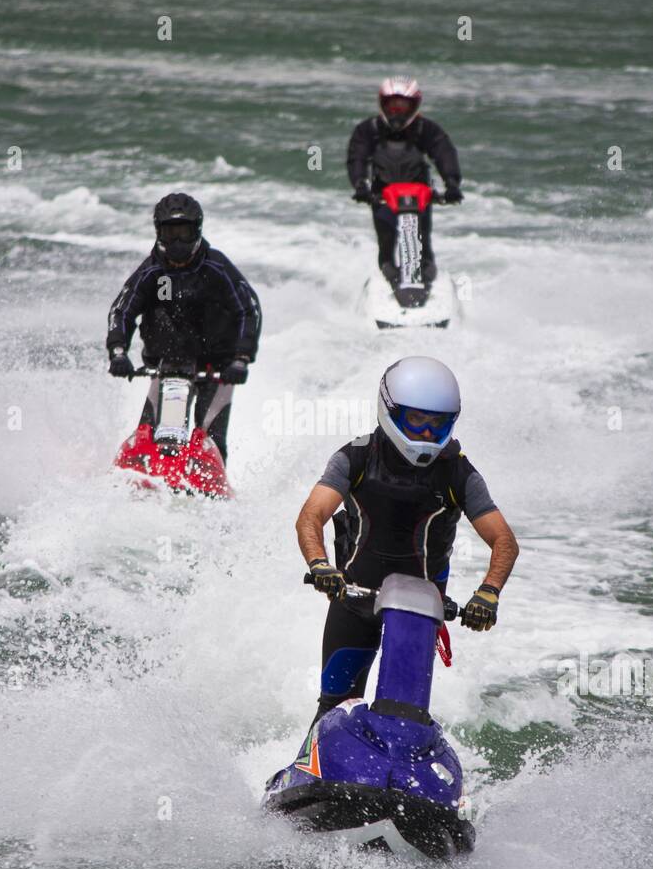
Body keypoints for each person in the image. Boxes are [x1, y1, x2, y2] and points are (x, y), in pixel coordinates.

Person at [295, 356, 518, 725]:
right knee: (334, 709)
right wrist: (320, 565)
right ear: (391, 411)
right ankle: (313, 767)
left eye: (437, 424)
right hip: (353, 600)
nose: (428, 434)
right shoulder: (355, 457)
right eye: (416, 420)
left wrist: (489, 592)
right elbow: (311, 516)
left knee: (405, 716)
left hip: (419, 612)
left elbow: (504, 540)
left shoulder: (459, 473)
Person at [106, 193, 261, 462]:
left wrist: (241, 358)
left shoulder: (217, 267)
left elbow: (249, 310)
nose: (177, 242)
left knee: (210, 443)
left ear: (197, 231)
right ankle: (141, 470)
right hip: (168, 363)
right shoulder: (151, 270)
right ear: (158, 233)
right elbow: (122, 310)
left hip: (219, 366)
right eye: (170, 233)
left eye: (184, 233)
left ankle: (210, 483)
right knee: (148, 433)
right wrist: (118, 351)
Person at [347, 77, 462, 284]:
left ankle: (427, 287)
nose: (396, 112)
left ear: (414, 106)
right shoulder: (368, 129)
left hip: (420, 196)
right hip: (382, 196)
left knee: (423, 246)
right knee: (387, 244)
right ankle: (388, 282)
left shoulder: (425, 129)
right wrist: (360, 184)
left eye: (402, 107)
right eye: (392, 106)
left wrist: (452, 183)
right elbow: (358, 156)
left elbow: (443, 152)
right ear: (382, 104)